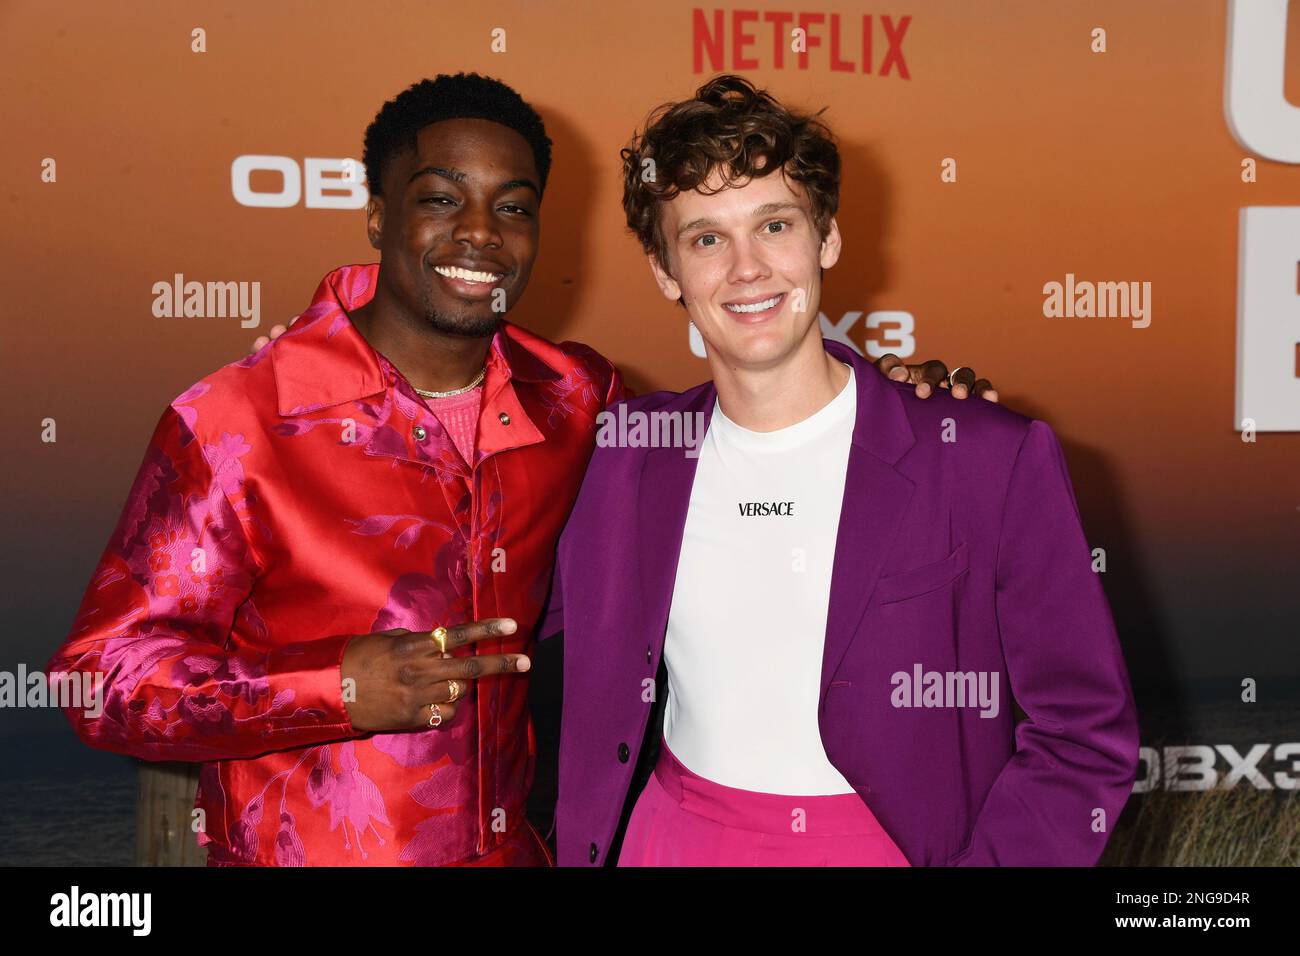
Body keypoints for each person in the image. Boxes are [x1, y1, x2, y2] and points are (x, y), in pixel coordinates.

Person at [49, 72, 995, 867]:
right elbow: (100, 681)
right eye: (440, 198)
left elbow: (741, 430)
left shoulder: (574, 398)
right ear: (378, 216)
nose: (479, 234)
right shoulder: (237, 422)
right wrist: (331, 688)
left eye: (513, 206)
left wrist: (889, 398)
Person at [541, 75, 1139, 867]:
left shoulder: (984, 456)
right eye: (706, 238)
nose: (747, 269)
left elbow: (1084, 735)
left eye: (775, 225)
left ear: (826, 239)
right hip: (673, 841)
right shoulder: (619, 459)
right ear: (665, 271)